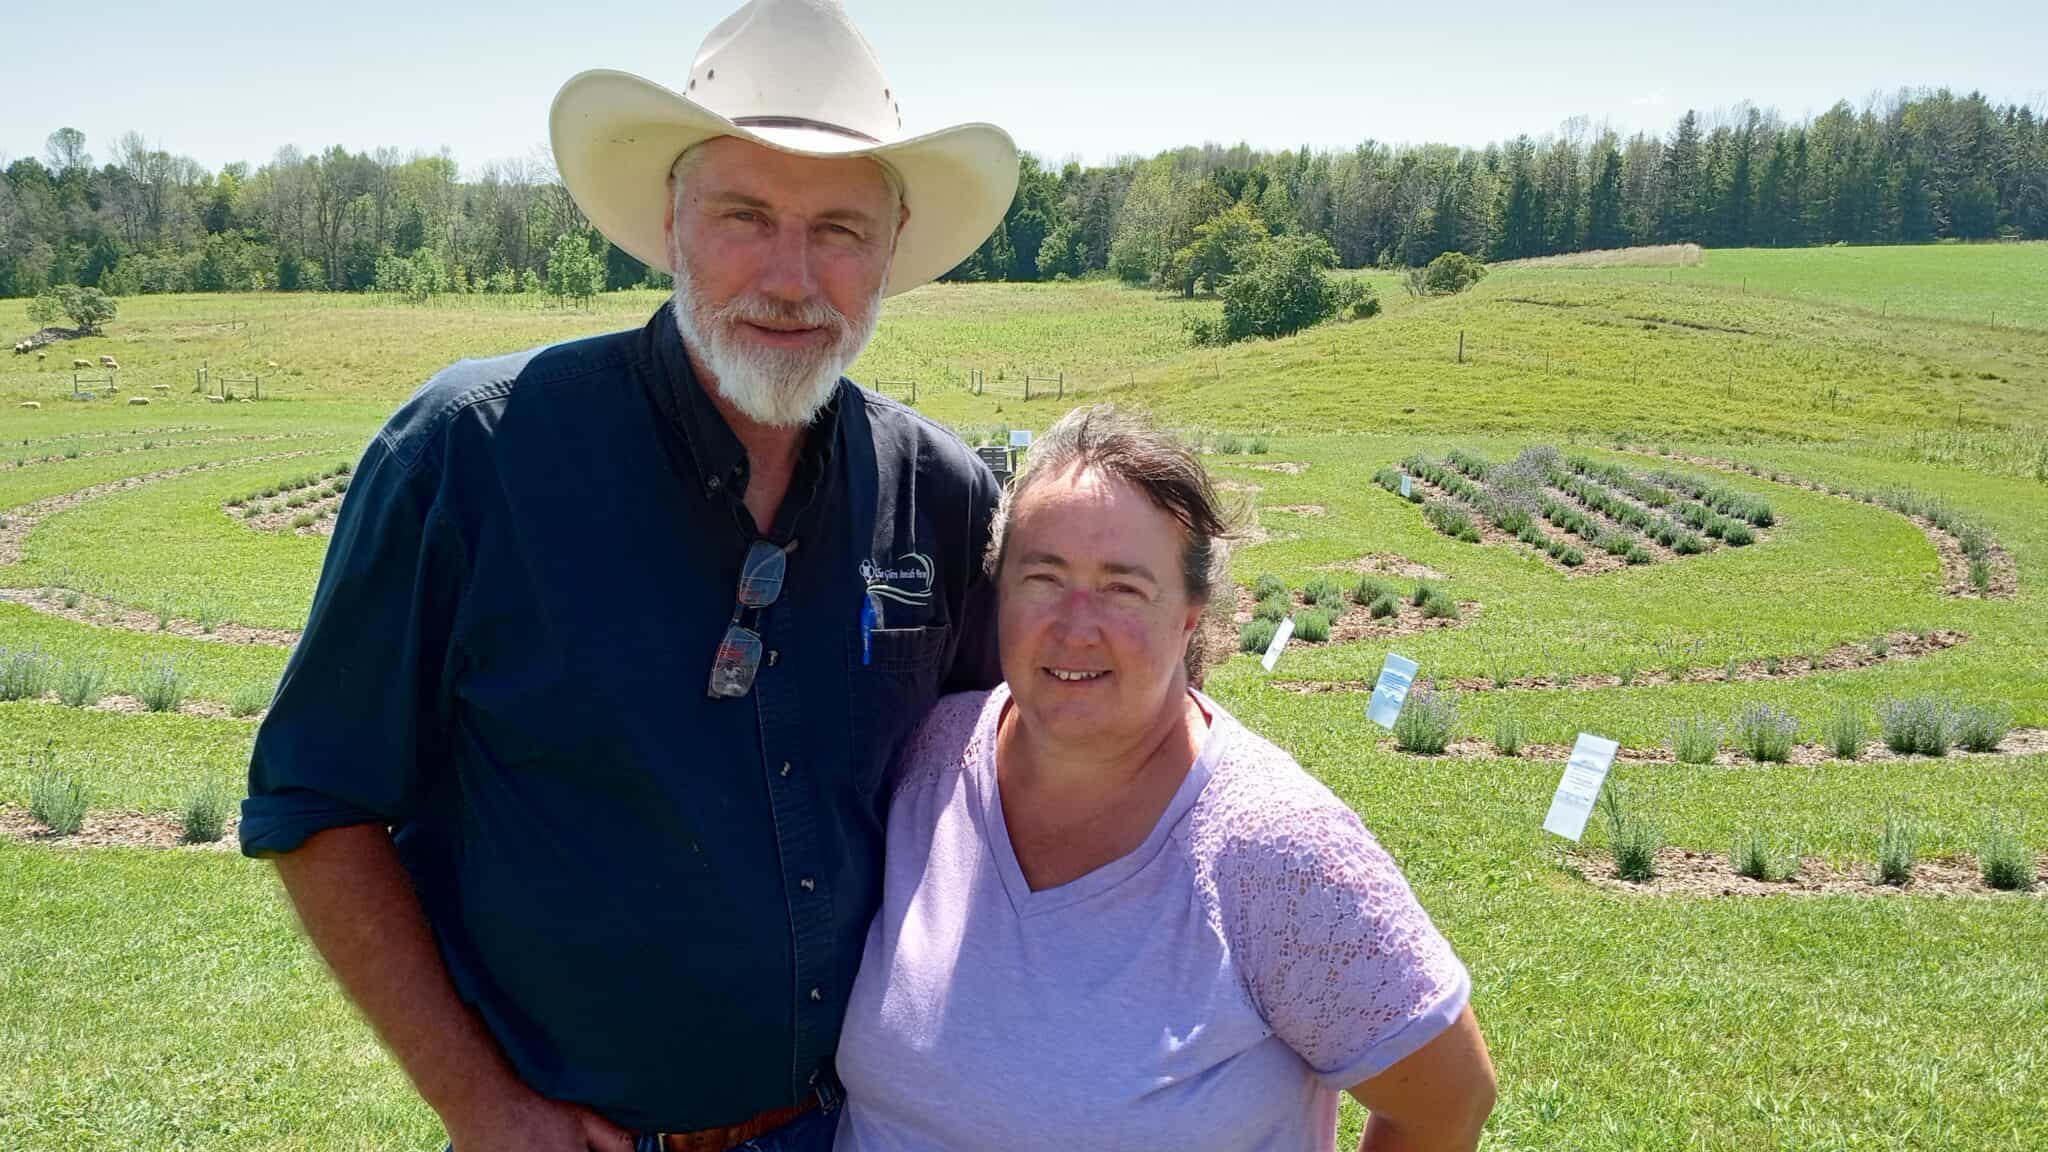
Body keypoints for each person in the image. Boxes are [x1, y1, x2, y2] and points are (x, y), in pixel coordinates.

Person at [236, 2, 1019, 1149]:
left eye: (840, 229)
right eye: (745, 216)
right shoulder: (476, 454)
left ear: (892, 248)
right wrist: (476, 1102)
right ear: (669, 220)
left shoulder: (939, 492)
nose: (791, 276)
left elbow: (1018, 780)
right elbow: (316, 801)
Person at [835, 406, 1498, 1151]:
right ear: (1000, 593)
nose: (1075, 626)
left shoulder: (1273, 849)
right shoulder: (933, 758)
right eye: (1043, 578)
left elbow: (1448, 1101)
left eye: (1123, 589)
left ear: (1190, 613)